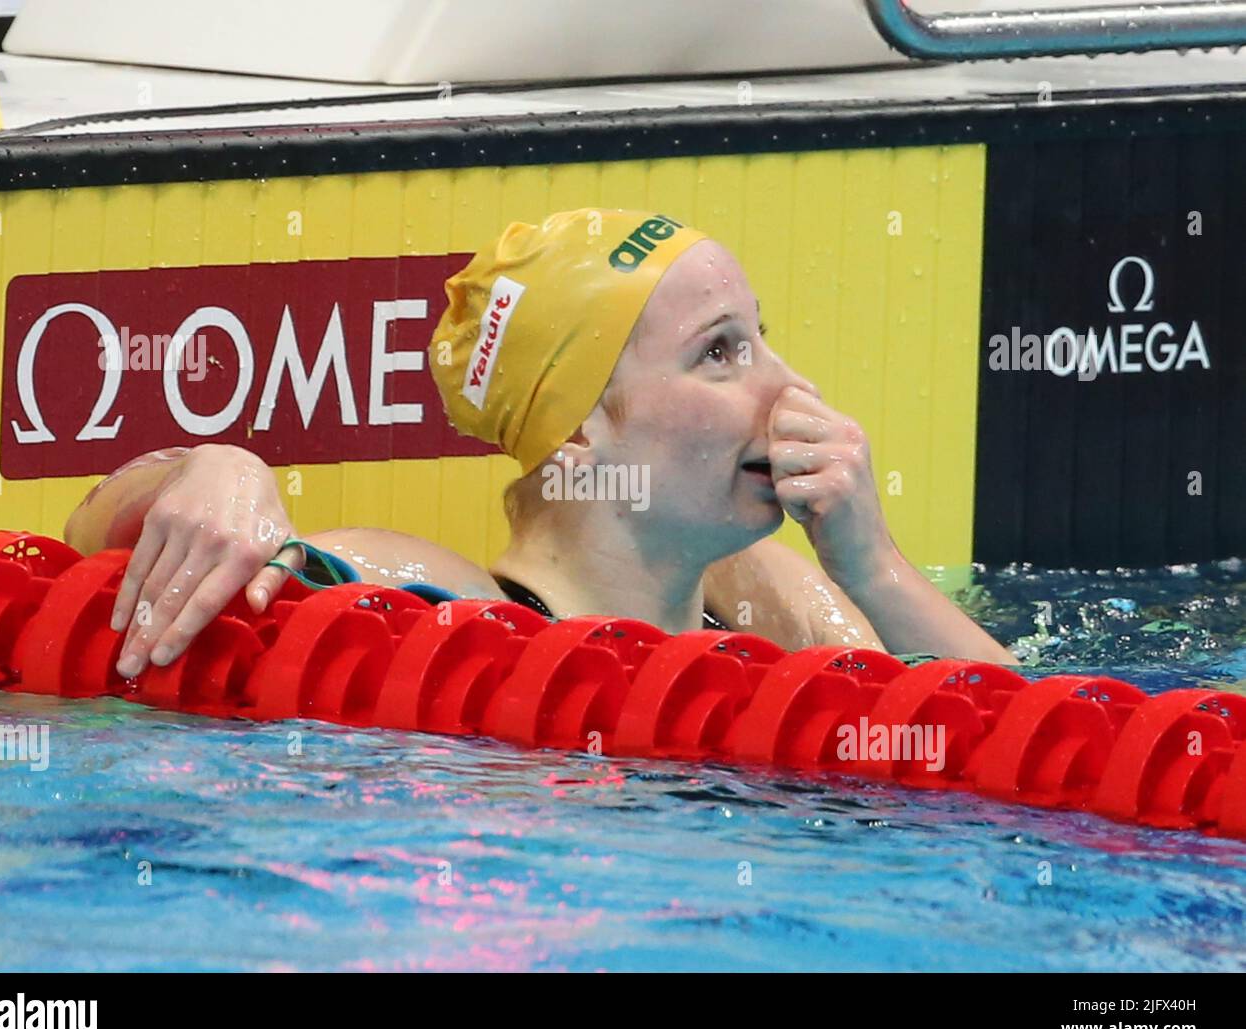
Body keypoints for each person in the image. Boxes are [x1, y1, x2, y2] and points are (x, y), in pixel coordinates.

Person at [64, 207, 1015, 678]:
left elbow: (1017, 748)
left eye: (762, 337)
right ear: (578, 432)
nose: (789, 388)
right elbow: (91, 540)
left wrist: (875, 566)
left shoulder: (759, 591)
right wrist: (215, 466)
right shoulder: (442, 600)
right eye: (721, 352)